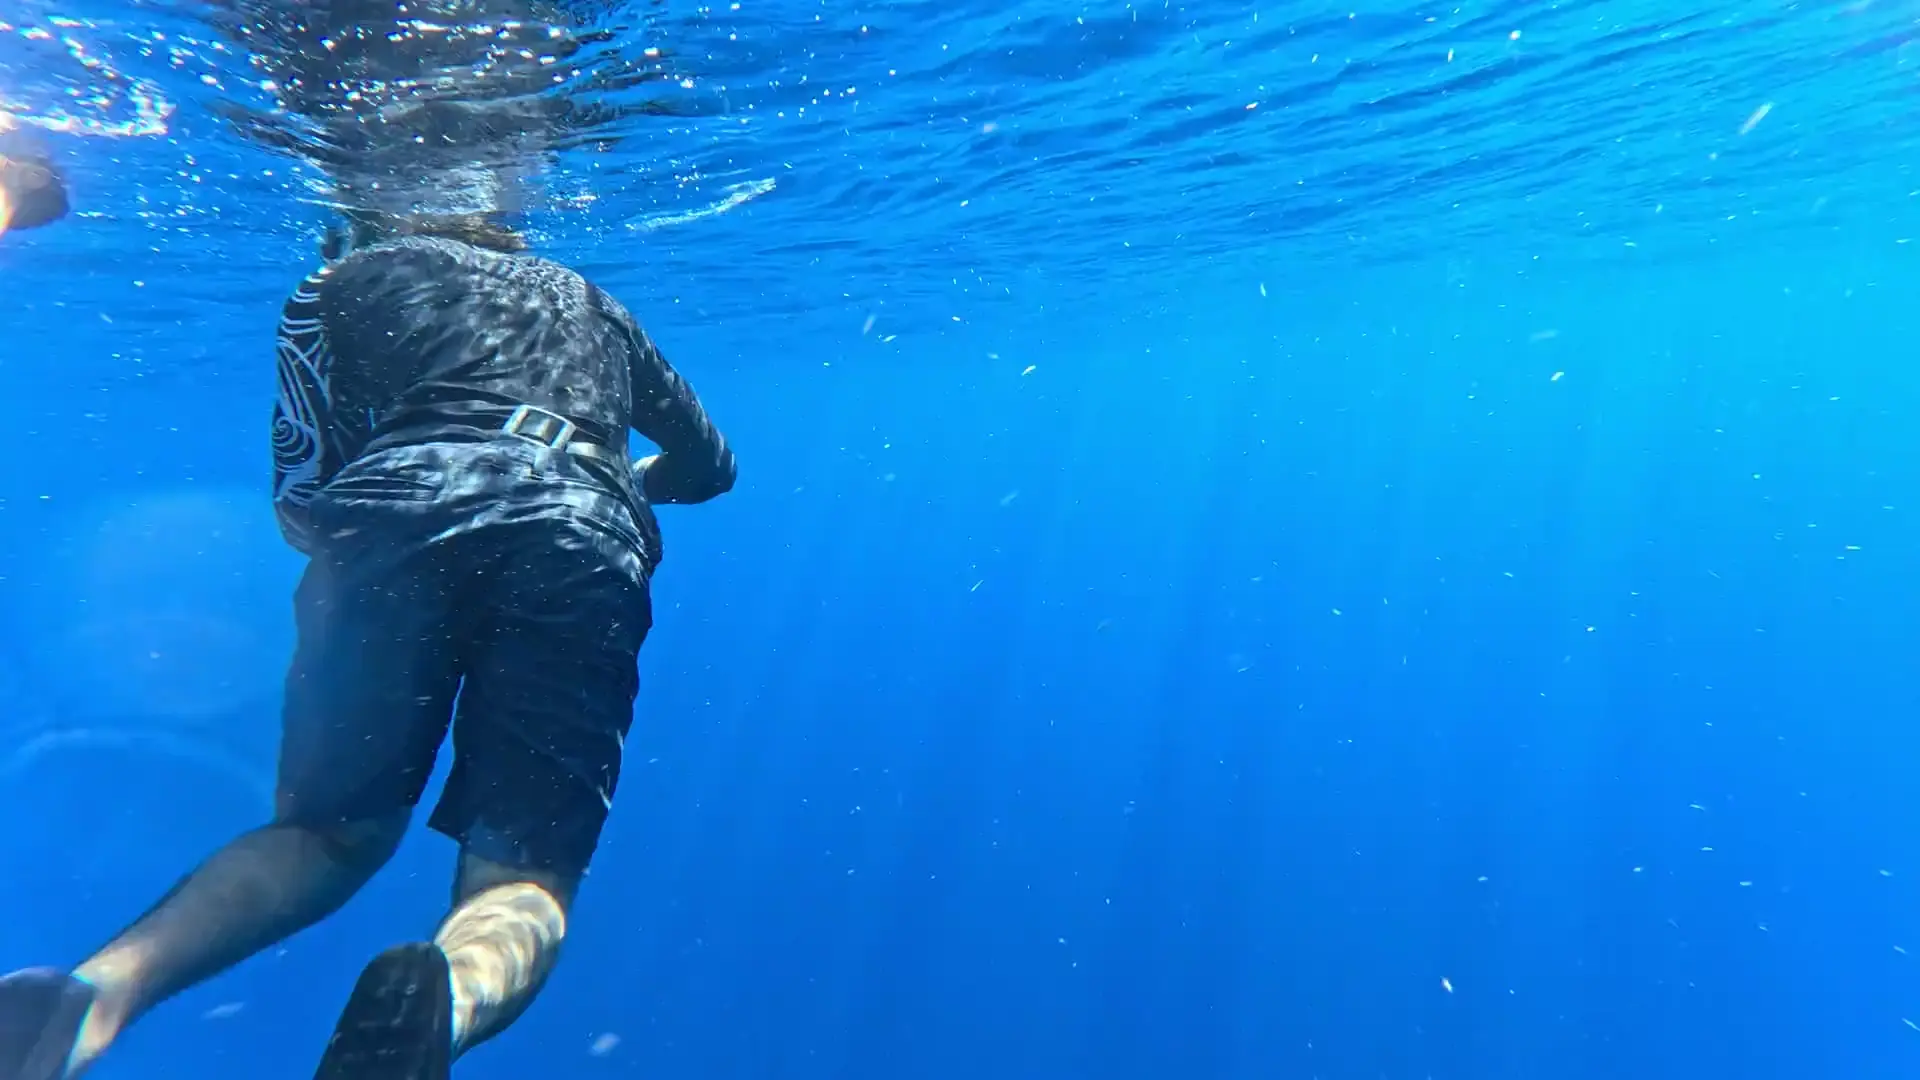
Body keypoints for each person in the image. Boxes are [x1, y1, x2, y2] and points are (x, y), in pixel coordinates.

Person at [0, 208, 736, 1080]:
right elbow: (710, 464)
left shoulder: (331, 288)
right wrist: (598, 473)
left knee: (326, 835)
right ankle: (447, 1008)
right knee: (517, 877)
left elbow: (300, 507)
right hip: (578, 524)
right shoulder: (585, 297)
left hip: (391, 509)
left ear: (356, 221)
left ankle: (98, 992)